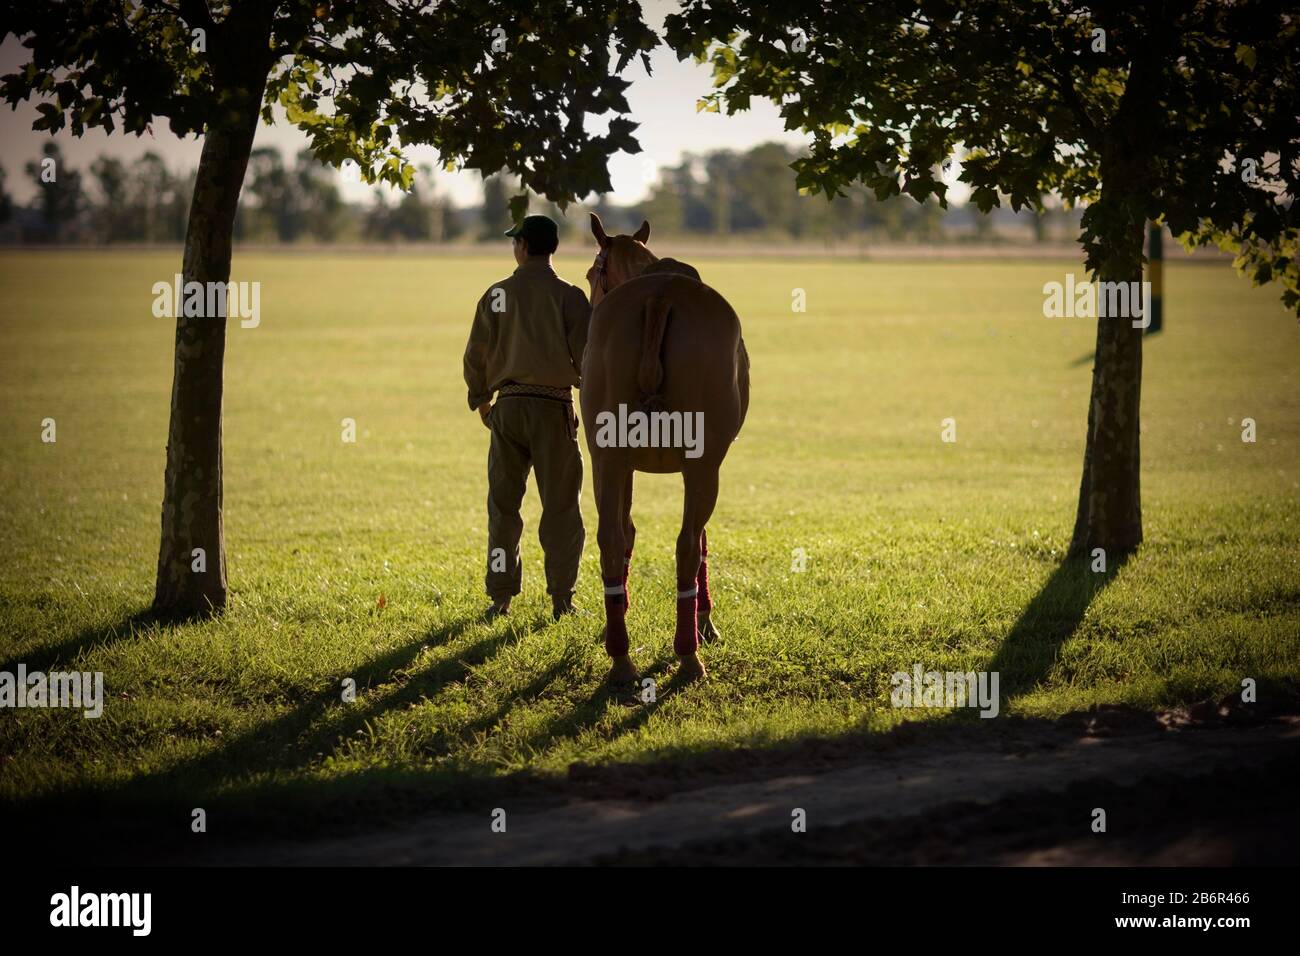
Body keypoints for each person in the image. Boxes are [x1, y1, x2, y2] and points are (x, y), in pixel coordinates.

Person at [463, 214, 591, 620]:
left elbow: (475, 356)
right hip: (555, 409)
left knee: (503, 508)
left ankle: (500, 596)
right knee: (561, 509)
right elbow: (588, 360)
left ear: (521, 246)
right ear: (552, 247)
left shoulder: (497, 294)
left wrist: (484, 403)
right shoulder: (571, 296)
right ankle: (562, 599)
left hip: (510, 408)